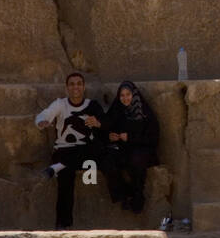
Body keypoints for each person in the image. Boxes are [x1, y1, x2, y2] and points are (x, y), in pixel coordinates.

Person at [34, 72, 106, 229]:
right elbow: (45, 114)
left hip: (87, 153)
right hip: (63, 151)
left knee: (93, 150)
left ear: (84, 86)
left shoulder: (92, 105)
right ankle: (63, 225)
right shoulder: (60, 104)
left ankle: (56, 167)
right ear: (67, 88)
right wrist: (42, 122)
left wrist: (97, 123)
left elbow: (105, 124)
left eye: (79, 83)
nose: (76, 87)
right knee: (65, 176)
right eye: (72, 84)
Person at [101, 81, 159, 213]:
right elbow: (105, 127)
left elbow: (153, 138)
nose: (125, 98)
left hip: (142, 149)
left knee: (136, 160)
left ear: (134, 95)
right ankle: (124, 195)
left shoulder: (145, 113)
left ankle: (137, 197)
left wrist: (131, 138)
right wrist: (110, 136)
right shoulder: (117, 110)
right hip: (122, 149)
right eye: (122, 95)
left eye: (128, 94)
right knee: (107, 161)